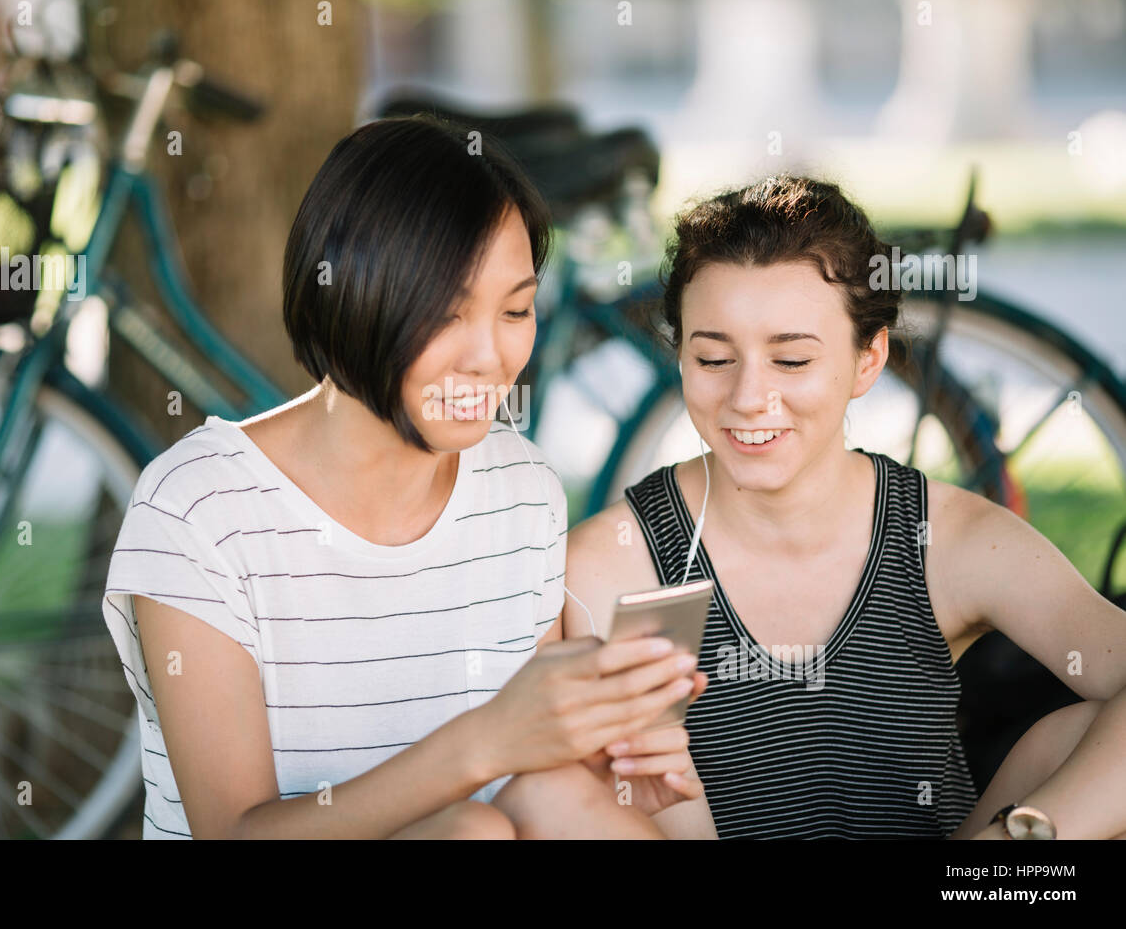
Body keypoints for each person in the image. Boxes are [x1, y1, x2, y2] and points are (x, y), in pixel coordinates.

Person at [101, 115, 709, 839]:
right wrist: (484, 741)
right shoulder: (199, 508)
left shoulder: (520, 489)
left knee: (552, 804)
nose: (490, 356)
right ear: (350, 293)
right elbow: (234, 833)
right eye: (448, 313)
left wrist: (614, 771)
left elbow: (532, 783)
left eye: (517, 309)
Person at [565, 174, 1126, 839]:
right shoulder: (617, 564)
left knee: (1083, 734)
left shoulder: (947, 539)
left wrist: (1012, 843)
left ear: (869, 360)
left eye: (793, 361)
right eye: (714, 358)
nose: (749, 397)